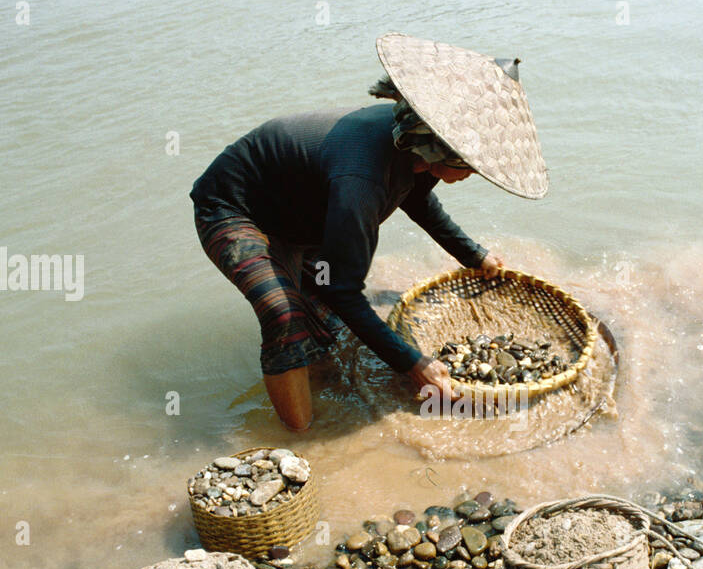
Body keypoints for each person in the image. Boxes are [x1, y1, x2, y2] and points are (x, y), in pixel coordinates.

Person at [190, 33, 549, 431]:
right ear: (442, 150)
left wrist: (473, 255)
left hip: (303, 213)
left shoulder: (411, 147)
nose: (472, 175)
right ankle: (299, 441)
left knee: (329, 328)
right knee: (285, 315)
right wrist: (414, 364)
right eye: (470, 166)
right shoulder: (362, 179)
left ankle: (311, 387)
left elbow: (418, 202)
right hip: (234, 209)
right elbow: (345, 289)